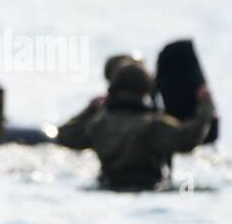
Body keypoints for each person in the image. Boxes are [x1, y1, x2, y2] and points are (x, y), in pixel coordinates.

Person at [56, 59, 214, 190]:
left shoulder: (99, 123)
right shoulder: (154, 125)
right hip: (149, 186)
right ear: (145, 90)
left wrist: (89, 110)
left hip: (107, 185)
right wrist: (205, 104)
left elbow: (64, 136)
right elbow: (189, 138)